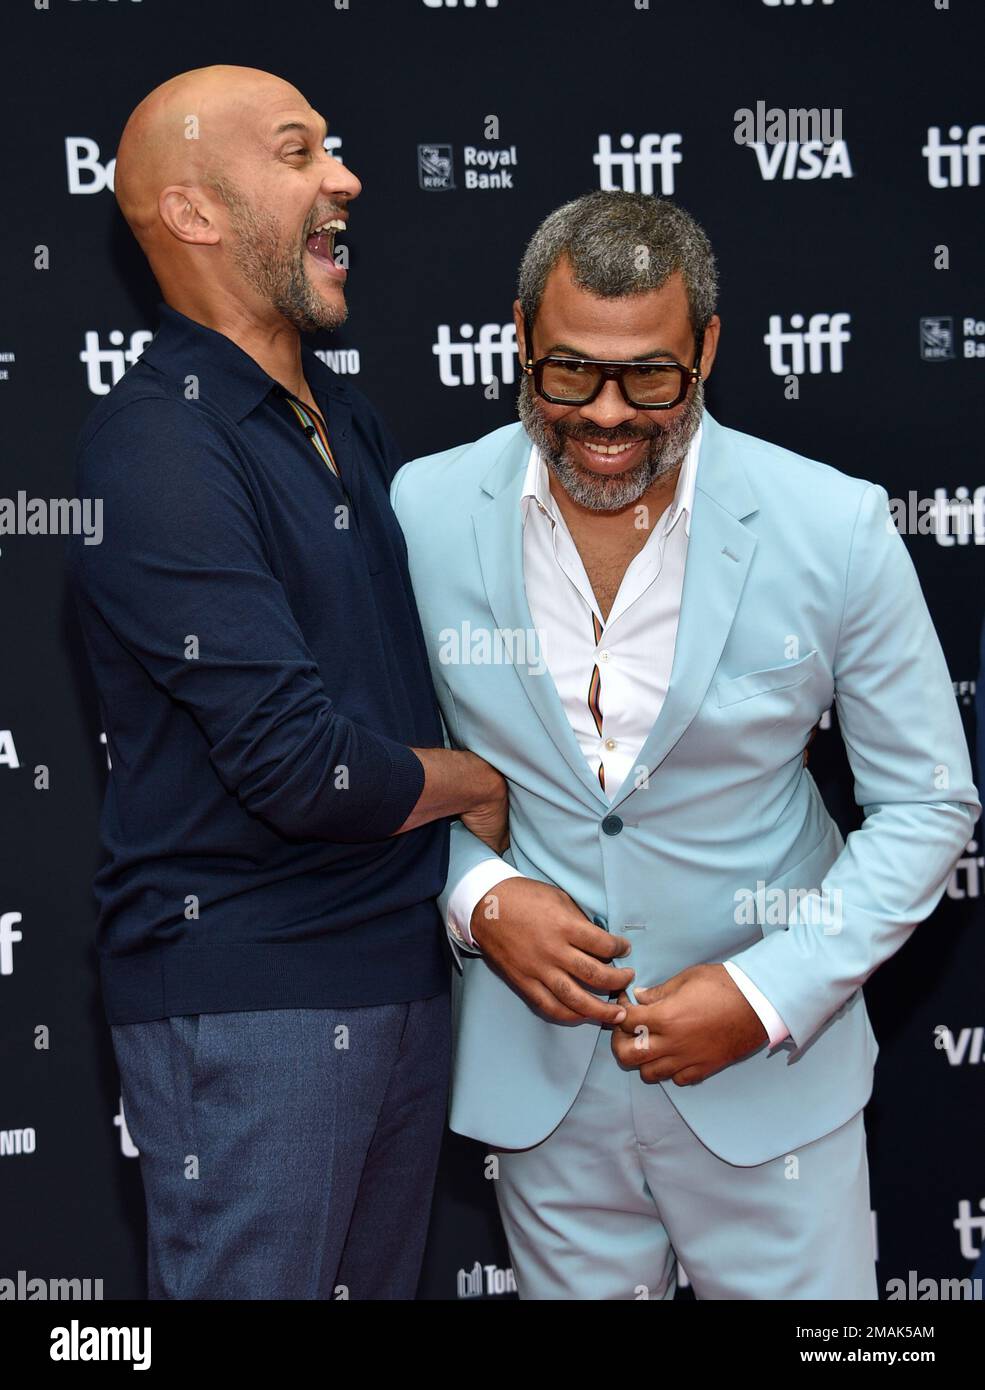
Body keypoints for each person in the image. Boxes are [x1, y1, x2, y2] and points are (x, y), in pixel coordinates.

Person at [390, 190, 981, 1300]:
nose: (607, 415)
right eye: (569, 371)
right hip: (540, 1083)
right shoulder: (421, 511)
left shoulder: (829, 523)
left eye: (650, 377)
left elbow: (927, 803)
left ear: (706, 347)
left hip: (772, 1088)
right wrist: (478, 899)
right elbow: (375, 773)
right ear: (518, 336)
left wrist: (765, 995)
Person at [68, 65, 507, 1301]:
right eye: (299, 151)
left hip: (393, 969)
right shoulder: (157, 443)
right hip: (250, 998)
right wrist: (474, 779)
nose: (346, 177)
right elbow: (295, 763)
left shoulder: (338, 417)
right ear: (197, 213)